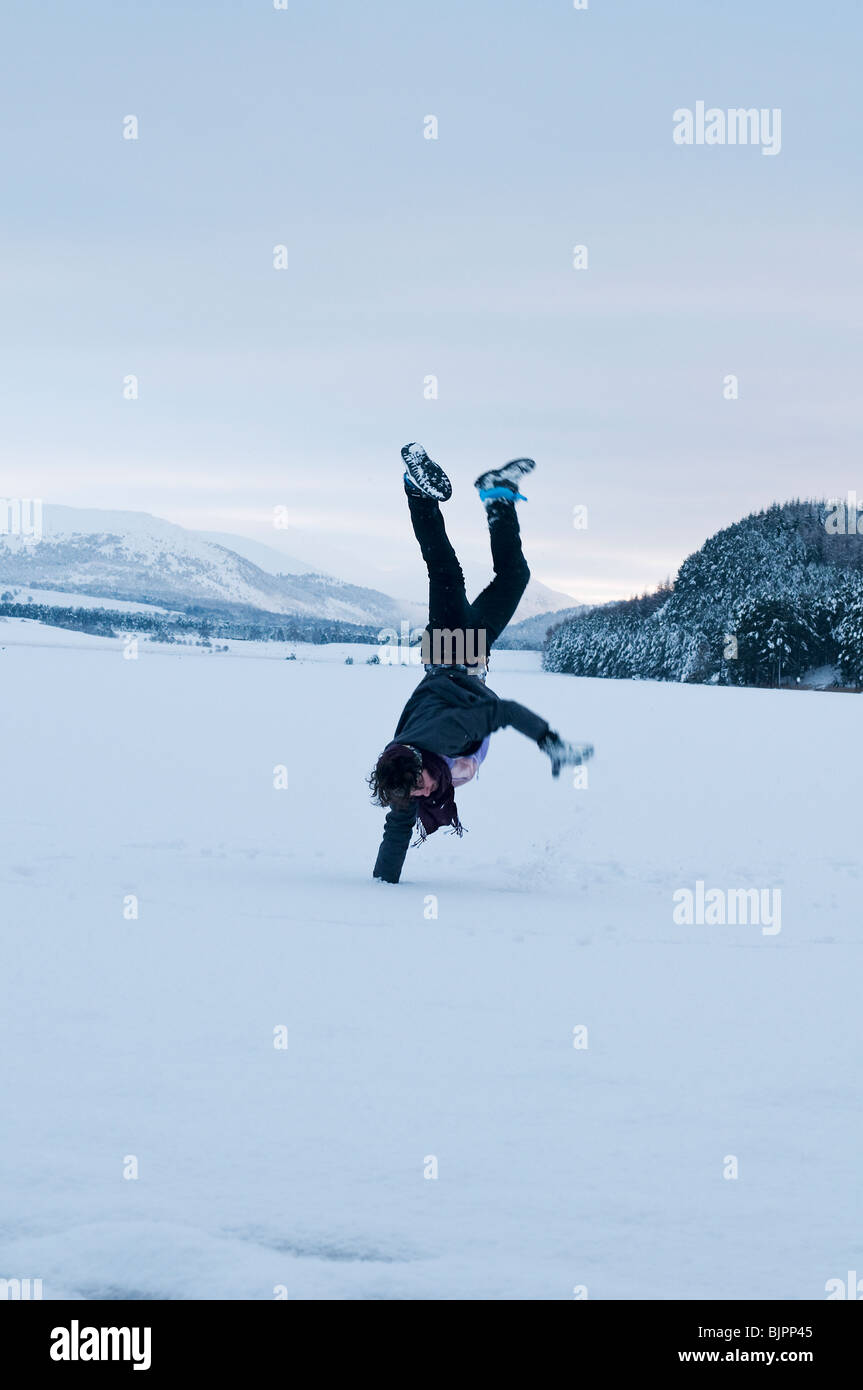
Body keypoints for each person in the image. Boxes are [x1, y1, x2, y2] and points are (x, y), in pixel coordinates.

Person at [369, 444, 593, 884]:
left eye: (419, 788)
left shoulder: (447, 736)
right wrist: (382, 887)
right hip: (470, 653)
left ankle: (417, 491)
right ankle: (497, 495)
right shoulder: (406, 773)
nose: (422, 794)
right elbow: (396, 831)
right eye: (417, 793)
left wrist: (551, 742)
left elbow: (504, 712)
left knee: (447, 572)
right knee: (513, 577)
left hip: (453, 653)